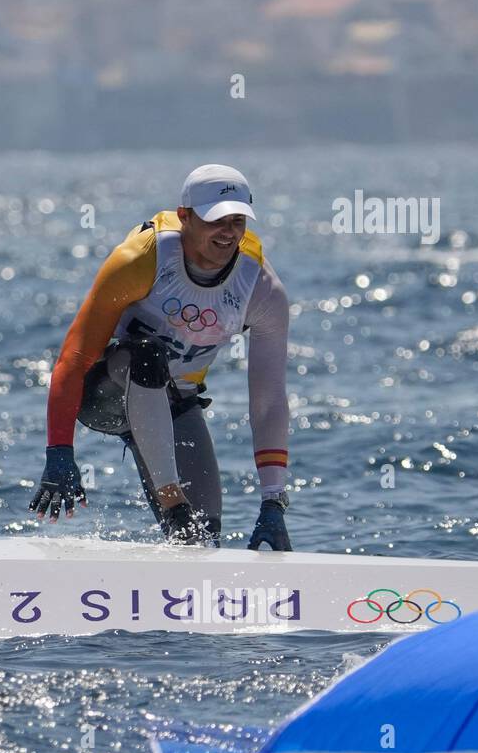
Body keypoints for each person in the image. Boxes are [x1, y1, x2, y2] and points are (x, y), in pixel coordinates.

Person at [29, 165, 293, 550]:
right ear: (185, 216)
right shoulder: (139, 260)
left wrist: (273, 501)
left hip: (175, 403)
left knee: (202, 540)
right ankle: (172, 502)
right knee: (148, 353)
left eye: (238, 221)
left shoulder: (262, 290)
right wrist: (59, 452)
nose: (228, 232)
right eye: (216, 220)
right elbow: (73, 358)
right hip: (107, 392)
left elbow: (268, 401)